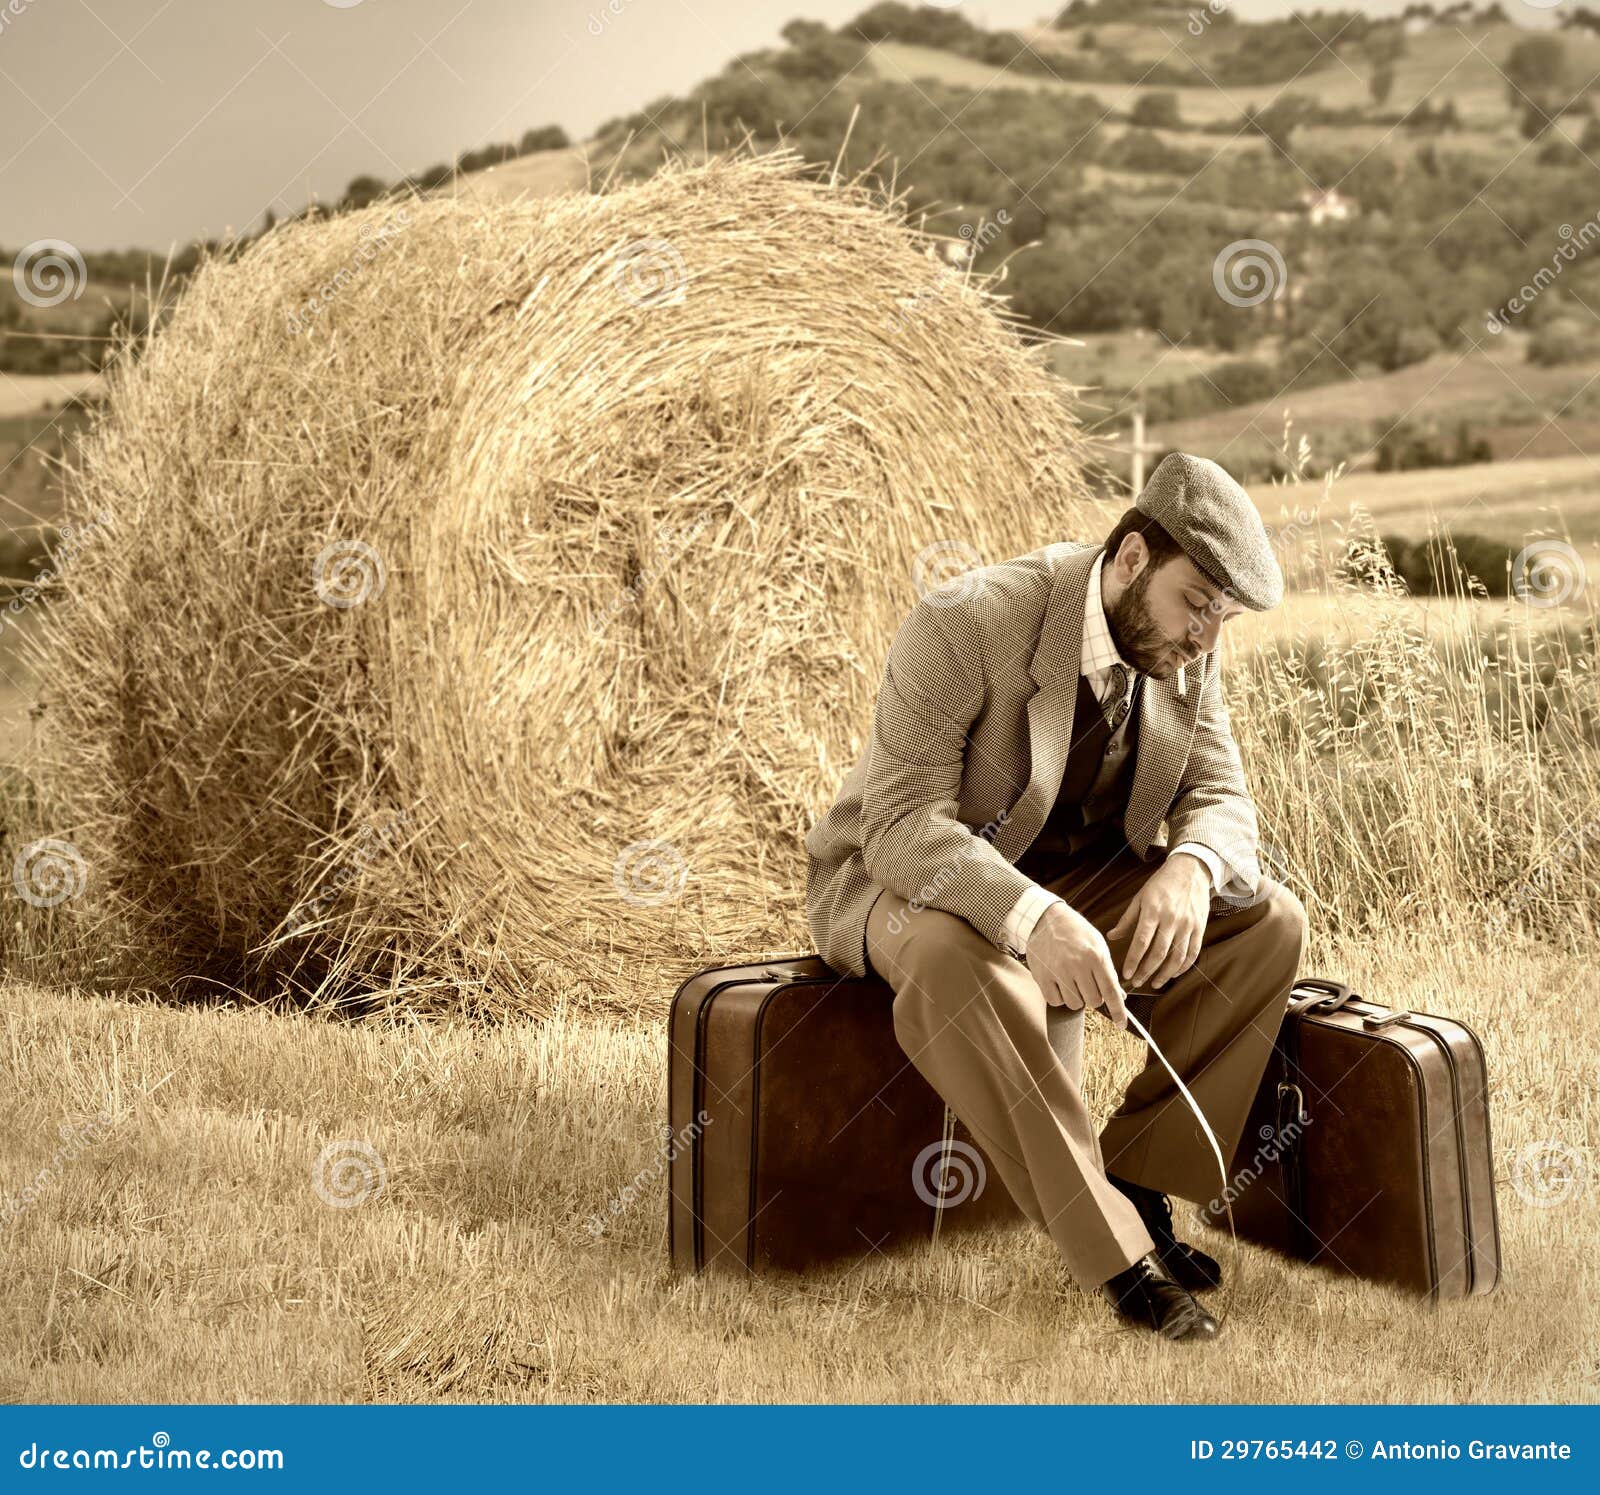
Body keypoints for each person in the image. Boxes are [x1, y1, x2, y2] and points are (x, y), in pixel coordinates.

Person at [803, 452, 1308, 1343]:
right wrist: (1031, 919)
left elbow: (1222, 797)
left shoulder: (1184, 652)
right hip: (909, 882)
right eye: (1197, 603)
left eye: (1224, 618)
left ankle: (1143, 1170)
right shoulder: (966, 622)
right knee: (965, 963)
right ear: (1130, 560)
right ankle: (1119, 1256)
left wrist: (1190, 868)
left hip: (1066, 875)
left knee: (1267, 919)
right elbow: (901, 827)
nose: (1205, 638)